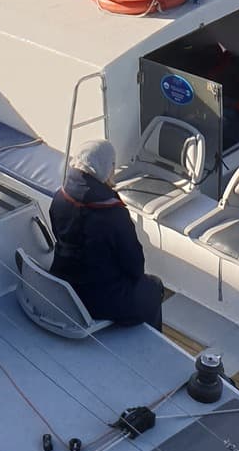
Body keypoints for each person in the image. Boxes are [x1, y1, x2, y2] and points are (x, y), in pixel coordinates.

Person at [47, 140, 164, 330]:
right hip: (98, 300)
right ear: (105, 169)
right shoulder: (114, 215)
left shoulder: (60, 197)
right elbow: (135, 267)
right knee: (154, 287)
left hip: (63, 285)